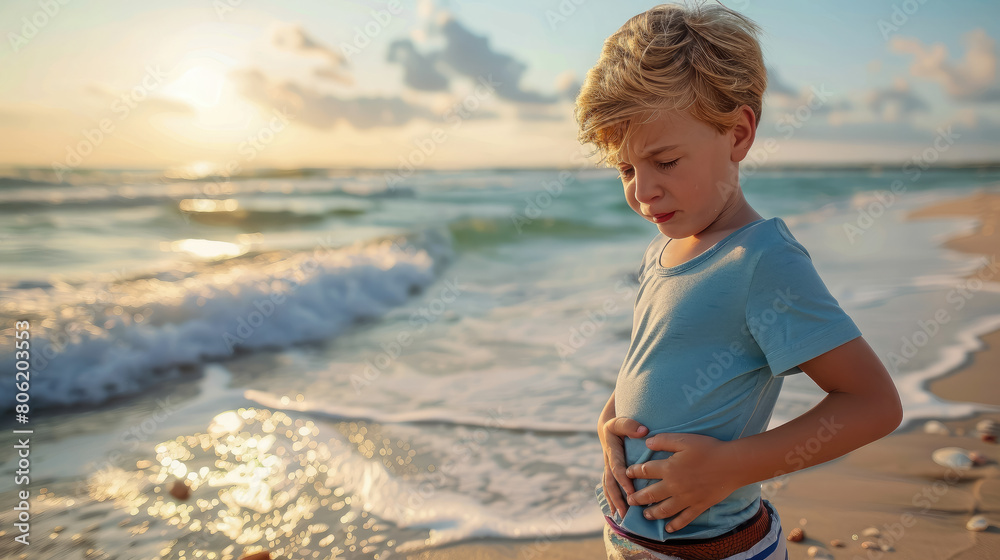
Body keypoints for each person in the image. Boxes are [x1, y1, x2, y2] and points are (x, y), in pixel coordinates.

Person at [573, 2, 904, 559]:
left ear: (738, 133)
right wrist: (609, 423)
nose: (642, 191)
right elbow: (655, 361)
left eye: (666, 161)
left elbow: (872, 403)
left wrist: (728, 468)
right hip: (631, 537)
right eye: (626, 169)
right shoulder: (664, 250)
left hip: (718, 547)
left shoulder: (762, 260)